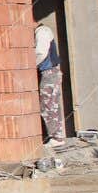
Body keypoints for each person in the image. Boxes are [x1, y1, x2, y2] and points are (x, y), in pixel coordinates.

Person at [34, 11, 66, 144]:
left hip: (49, 72)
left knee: (48, 104)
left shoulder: (42, 32)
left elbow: (41, 52)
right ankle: (56, 136)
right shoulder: (42, 31)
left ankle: (56, 137)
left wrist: (30, 67)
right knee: (51, 104)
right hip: (51, 72)